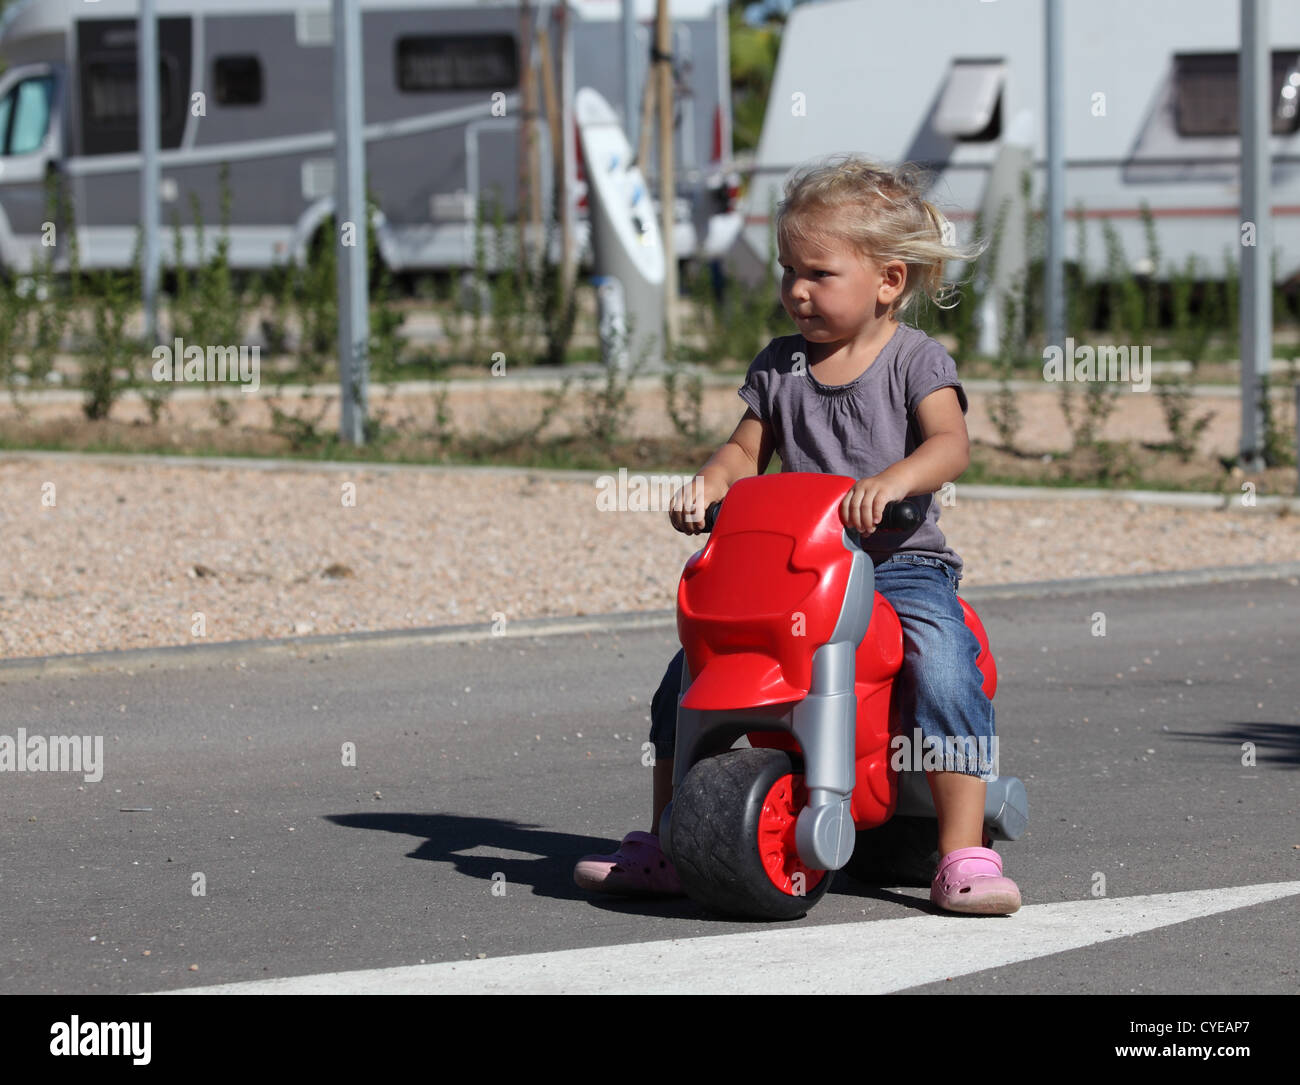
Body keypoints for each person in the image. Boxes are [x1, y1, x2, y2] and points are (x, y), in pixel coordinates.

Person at [574, 154, 1021, 915]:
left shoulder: (915, 360)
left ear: (889, 281)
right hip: (795, 571)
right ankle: (669, 839)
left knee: (946, 664)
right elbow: (745, 449)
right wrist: (713, 482)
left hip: (896, 566)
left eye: (819, 273)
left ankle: (962, 852)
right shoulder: (780, 368)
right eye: (787, 270)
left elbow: (951, 445)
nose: (797, 290)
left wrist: (897, 479)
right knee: (683, 680)